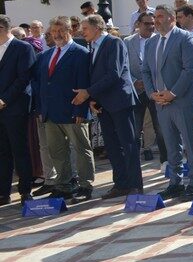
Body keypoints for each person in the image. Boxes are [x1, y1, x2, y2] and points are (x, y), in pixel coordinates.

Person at [74, 14, 143, 198]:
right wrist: (93, 98)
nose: (82, 32)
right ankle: (121, 184)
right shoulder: (92, 47)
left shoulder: (114, 43)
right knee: (112, 146)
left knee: (128, 144)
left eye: (86, 28)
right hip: (104, 104)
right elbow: (96, 75)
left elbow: (114, 73)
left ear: (97, 27)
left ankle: (135, 185)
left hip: (120, 102)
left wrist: (88, 92)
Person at [143, 6, 193, 200]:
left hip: (182, 101)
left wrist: (173, 93)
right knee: (171, 145)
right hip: (160, 103)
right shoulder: (151, 43)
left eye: (160, 16)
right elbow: (145, 71)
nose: (156, 20)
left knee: (190, 143)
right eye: (155, 17)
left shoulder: (186, 38)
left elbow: (190, 70)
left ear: (172, 18)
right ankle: (175, 183)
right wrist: (152, 93)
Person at [33, 16, 94, 203]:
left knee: (81, 149)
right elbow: (41, 84)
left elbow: (84, 83)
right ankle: (64, 185)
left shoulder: (81, 53)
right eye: (54, 31)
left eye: (61, 30)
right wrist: (41, 108)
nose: (57, 34)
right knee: (57, 151)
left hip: (73, 111)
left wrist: (81, 111)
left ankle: (85, 185)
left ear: (70, 31)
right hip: (51, 113)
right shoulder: (45, 55)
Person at [0, 14, 35, 205]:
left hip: (15, 108)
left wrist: (4, 100)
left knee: (19, 150)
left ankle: (25, 191)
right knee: (2, 152)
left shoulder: (23, 48)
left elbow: (24, 78)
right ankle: (3, 192)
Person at [125, 13, 166, 165]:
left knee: (160, 128)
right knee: (134, 129)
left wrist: (152, 82)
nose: (150, 26)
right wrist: (134, 81)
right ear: (138, 24)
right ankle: (133, 163)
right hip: (137, 91)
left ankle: (165, 161)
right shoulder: (128, 42)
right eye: (146, 23)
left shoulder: (160, 40)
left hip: (156, 91)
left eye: (152, 23)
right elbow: (123, 66)